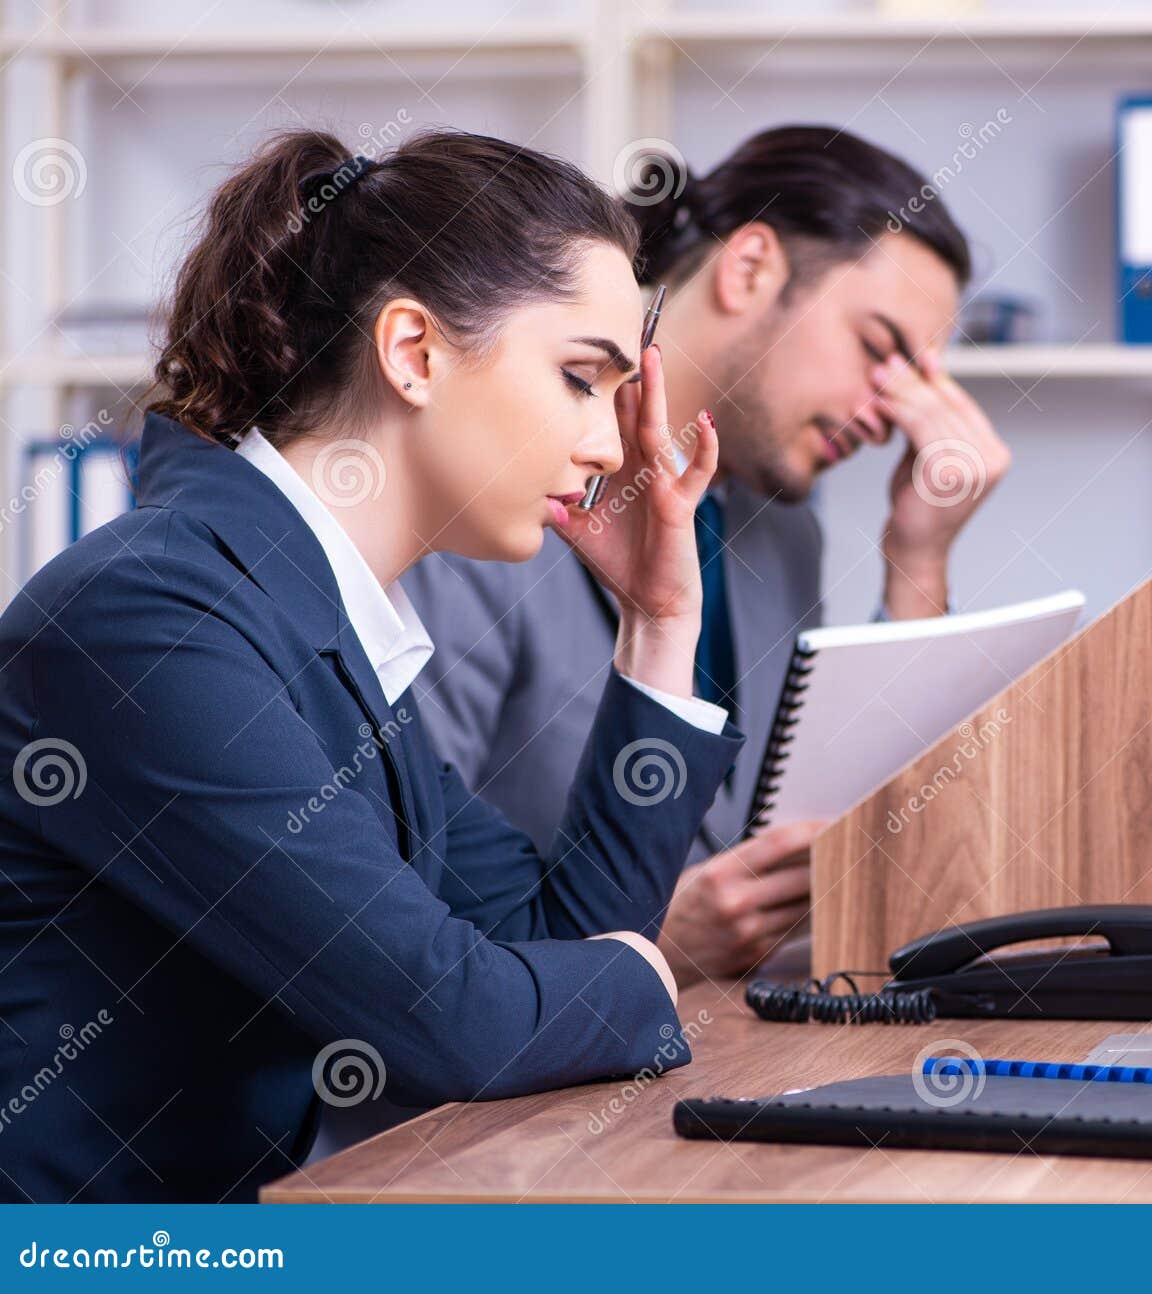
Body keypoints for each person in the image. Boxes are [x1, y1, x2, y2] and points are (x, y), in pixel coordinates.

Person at [0, 129, 738, 1203]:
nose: (612, 450)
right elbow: (458, 1024)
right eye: (581, 380)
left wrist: (659, 624)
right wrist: (640, 977)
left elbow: (555, 946)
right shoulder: (152, 618)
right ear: (413, 352)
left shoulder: (319, 619)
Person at [405, 126, 1010, 983]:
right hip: (510, 1054)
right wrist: (655, 949)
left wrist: (918, 559)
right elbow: (396, 890)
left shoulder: (783, 527)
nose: (891, 416)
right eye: (879, 350)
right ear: (749, 268)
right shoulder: (500, 498)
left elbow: (840, 830)